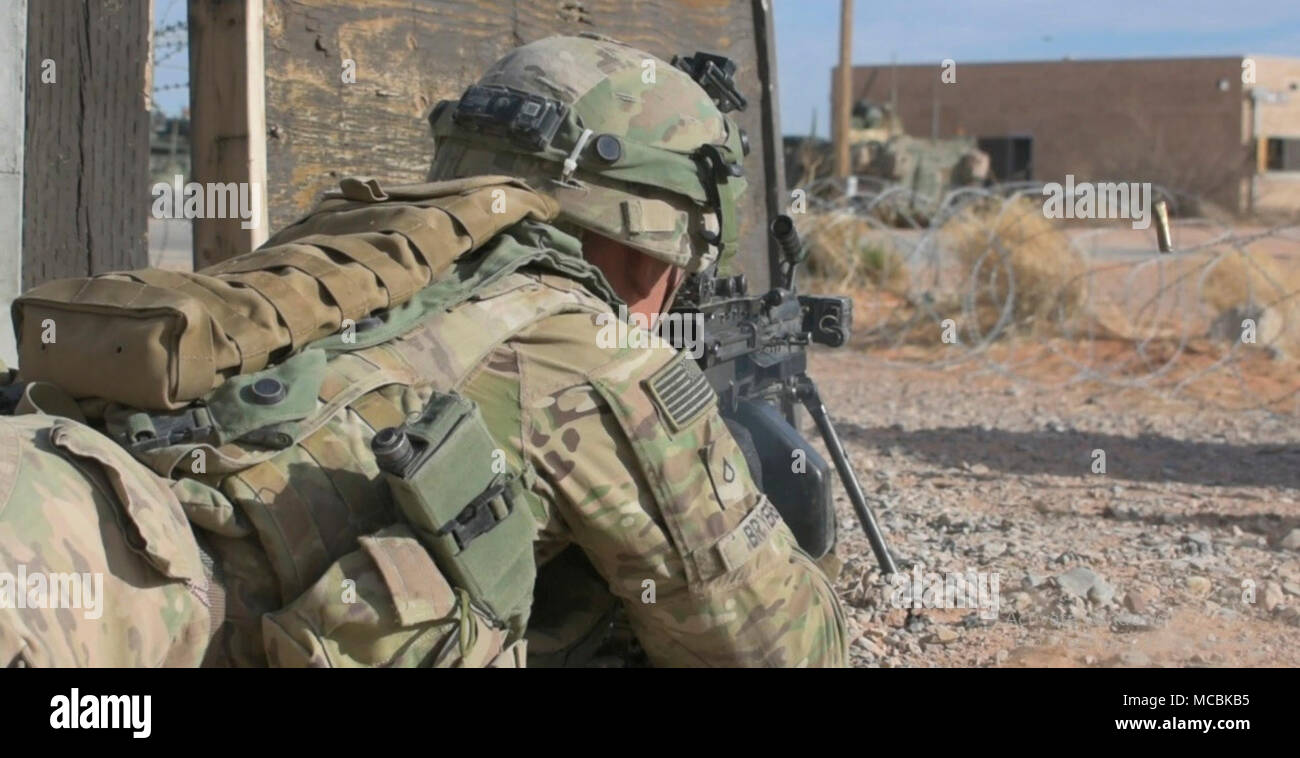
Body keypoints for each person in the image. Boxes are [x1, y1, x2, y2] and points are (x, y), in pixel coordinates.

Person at [0, 33, 847, 668]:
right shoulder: (599, 356)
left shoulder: (334, 260)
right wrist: (764, 487)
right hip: (88, 611)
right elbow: (778, 649)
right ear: (652, 248)